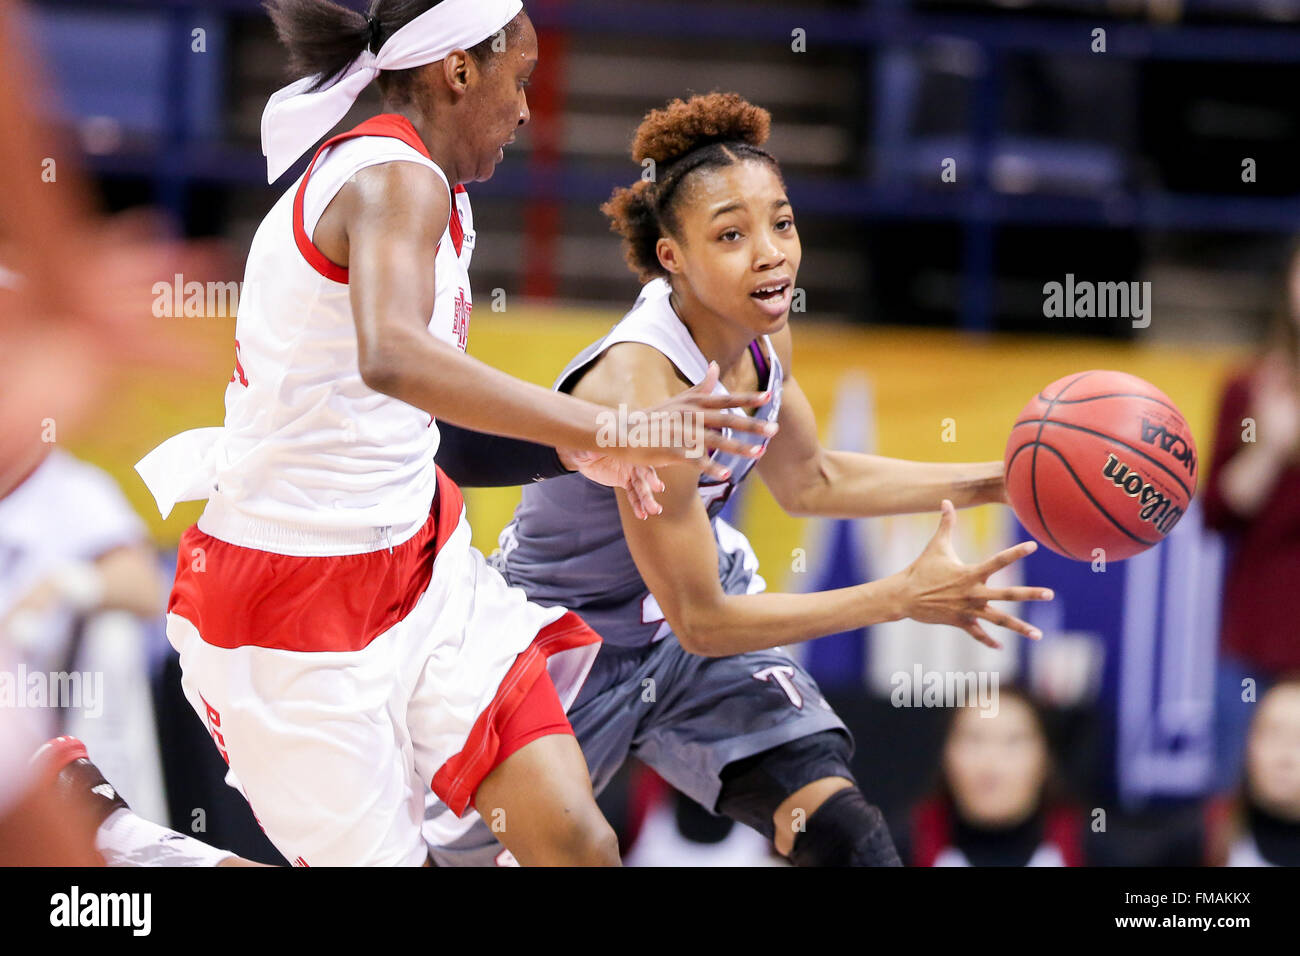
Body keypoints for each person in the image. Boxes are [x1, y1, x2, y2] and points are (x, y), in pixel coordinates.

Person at [133, 1, 774, 868]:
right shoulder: (396, 177)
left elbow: (423, 422)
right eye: (519, 82)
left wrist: (572, 449)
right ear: (458, 71)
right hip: (290, 603)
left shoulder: (435, 192)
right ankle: (121, 848)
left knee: (577, 843)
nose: (526, 112)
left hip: (419, 562)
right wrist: (612, 422)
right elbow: (393, 358)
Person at [424, 92, 1053, 868]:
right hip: (566, 649)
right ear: (671, 258)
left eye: (781, 223)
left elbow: (811, 480)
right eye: (732, 234)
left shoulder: (763, 326)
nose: (771, 253)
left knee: (850, 839)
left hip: (686, 644)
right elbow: (705, 619)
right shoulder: (645, 388)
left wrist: (996, 482)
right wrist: (899, 597)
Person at [910, 687, 1082, 866]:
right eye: (975, 740)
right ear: (946, 755)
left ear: (1046, 759)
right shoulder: (900, 846)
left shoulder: (1090, 848)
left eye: (1012, 742)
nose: (990, 763)